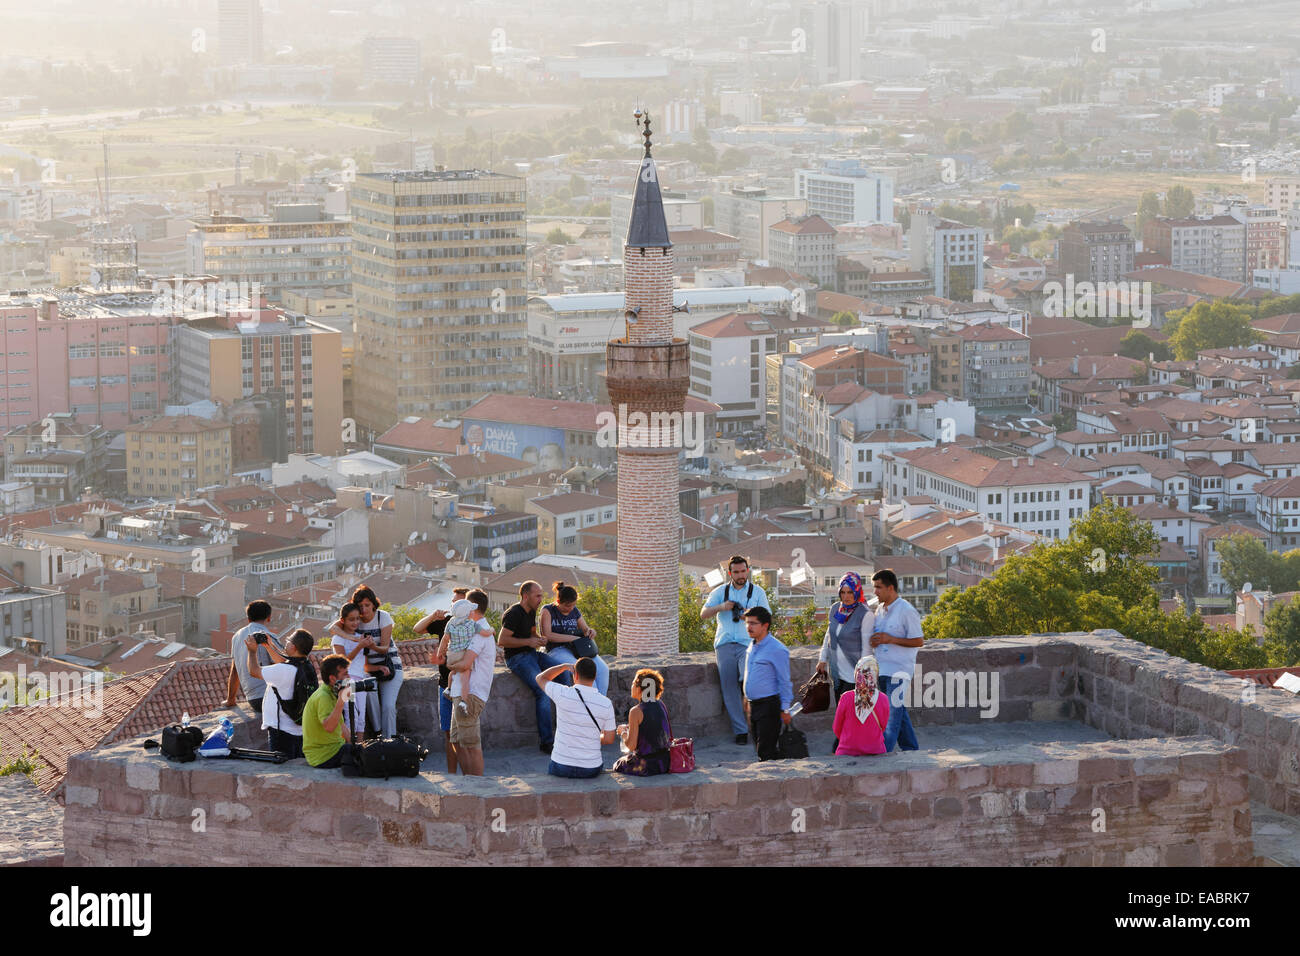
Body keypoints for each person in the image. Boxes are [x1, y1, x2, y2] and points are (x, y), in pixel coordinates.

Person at [701, 555, 770, 745]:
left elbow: (768, 618)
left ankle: (757, 725)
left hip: (748, 644)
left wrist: (749, 616)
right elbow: (703, 614)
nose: (740, 575)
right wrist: (722, 607)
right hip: (724, 644)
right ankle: (741, 731)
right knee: (729, 689)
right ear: (730, 573)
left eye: (743, 571)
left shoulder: (757, 592)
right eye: (736, 572)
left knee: (748, 681)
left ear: (747, 571)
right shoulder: (720, 592)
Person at [500, 580, 572, 754]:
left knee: (565, 673)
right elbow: (502, 640)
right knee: (542, 690)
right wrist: (529, 641)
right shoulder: (513, 613)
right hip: (517, 658)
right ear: (526, 596)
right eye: (537, 595)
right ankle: (547, 741)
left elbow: (532, 633)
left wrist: (539, 639)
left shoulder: (531, 611)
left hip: (533, 654)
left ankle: (569, 729)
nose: (541, 598)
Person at [816, 572, 874, 751]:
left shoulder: (865, 614)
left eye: (850, 592)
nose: (847, 597)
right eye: (843, 592)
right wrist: (822, 659)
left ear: (857, 591)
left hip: (855, 674)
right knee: (843, 713)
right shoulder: (835, 609)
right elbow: (829, 635)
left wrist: (862, 678)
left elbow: (867, 649)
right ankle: (848, 745)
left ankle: (840, 748)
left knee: (849, 714)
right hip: (837, 672)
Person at [869, 568, 925, 753]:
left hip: (899, 672)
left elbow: (919, 641)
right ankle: (911, 748)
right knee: (897, 712)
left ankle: (882, 753)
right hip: (882, 670)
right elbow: (880, 637)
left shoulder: (907, 610)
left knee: (891, 715)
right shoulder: (880, 610)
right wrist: (875, 641)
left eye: (878, 587)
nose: (875, 591)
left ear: (890, 588)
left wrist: (890, 639)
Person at [416, 586, 470, 773]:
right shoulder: (446, 623)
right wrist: (433, 616)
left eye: (458, 602)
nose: (454, 605)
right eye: (453, 602)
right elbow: (418, 629)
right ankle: (452, 773)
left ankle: (468, 773)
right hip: (444, 684)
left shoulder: (472, 625)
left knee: (464, 733)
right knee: (448, 733)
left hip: (465, 686)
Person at [536, 657, 616, 779]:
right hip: (591, 767)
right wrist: (590, 736)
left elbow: (540, 678)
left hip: (561, 765)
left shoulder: (562, 693)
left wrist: (563, 667)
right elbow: (609, 739)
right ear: (595, 677)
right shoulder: (606, 703)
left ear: (575, 675)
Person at [444, 588, 496, 776]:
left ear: (472, 609)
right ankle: (469, 781)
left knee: (471, 745)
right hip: (461, 691)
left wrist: (450, 663)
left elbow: (465, 663)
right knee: (458, 741)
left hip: (471, 694)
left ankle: (477, 786)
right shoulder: (473, 629)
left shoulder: (478, 633)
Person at [246, 627, 317, 759]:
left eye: (288, 641)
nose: (286, 643)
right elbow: (285, 662)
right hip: (299, 729)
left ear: (293, 647)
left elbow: (254, 671)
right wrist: (269, 646)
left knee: (283, 770)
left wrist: (251, 651)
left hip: (282, 732)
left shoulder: (283, 670)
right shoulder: (306, 665)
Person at [350, 587, 403, 738]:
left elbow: (385, 648)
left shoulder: (382, 617)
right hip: (370, 669)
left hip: (391, 666)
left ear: (373, 604)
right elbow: (334, 628)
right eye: (360, 606)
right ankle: (379, 731)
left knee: (388, 706)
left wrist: (371, 645)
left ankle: (390, 739)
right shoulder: (356, 623)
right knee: (367, 690)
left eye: (367, 605)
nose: (364, 609)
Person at [540, 581, 609, 696]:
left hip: (577, 649)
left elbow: (585, 629)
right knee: (582, 671)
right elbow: (548, 635)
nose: (571, 608)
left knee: (603, 669)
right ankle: (592, 701)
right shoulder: (548, 610)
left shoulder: (574, 611)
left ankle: (600, 701)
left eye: (573, 605)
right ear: (558, 602)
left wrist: (590, 631)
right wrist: (572, 638)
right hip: (557, 649)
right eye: (567, 606)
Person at [741, 606, 792, 761]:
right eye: (747, 623)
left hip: (768, 706)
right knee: (760, 748)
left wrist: (785, 708)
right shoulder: (752, 645)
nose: (749, 627)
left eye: (753, 623)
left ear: (765, 625)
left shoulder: (777, 649)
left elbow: (784, 681)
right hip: (753, 705)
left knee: (766, 751)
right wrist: (746, 698)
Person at [328, 602, 376, 739]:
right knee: (350, 715)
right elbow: (343, 662)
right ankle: (349, 748)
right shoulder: (338, 638)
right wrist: (359, 646)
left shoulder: (360, 636)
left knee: (361, 716)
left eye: (357, 619)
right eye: (351, 619)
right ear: (343, 620)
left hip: (360, 679)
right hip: (345, 681)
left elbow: (364, 662)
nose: (355, 622)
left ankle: (359, 747)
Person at [612, 668, 671, 777]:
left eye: (634, 683)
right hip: (665, 761)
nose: (632, 686)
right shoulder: (660, 704)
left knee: (618, 764)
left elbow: (632, 746)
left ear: (641, 689)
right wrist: (630, 727)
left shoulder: (636, 711)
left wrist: (623, 733)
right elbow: (650, 726)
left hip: (647, 765)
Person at [224, 600, 280, 713]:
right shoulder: (269, 637)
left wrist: (230, 700)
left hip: (253, 700)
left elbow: (235, 671)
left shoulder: (236, 637)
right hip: (270, 697)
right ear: (268, 618)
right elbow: (281, 667)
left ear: (248, 619)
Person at [302, 654, 356, 769]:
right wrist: (341, 702)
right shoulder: (323, 696)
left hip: (333, 749)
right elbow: (329, 727)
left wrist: (355, 745)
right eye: (345, 674)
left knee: (364, 751)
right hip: (323, 756)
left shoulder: (332, 692)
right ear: (332, 678)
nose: (349, 676)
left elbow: (342, 726)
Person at [831, 655, 890, 757]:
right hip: (876, 750)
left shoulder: (846, 697)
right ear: (875, 675)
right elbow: (883, 726)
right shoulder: (883, 698)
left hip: (846, 751)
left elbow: (837, 728)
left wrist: (849, 740)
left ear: (856, 674)